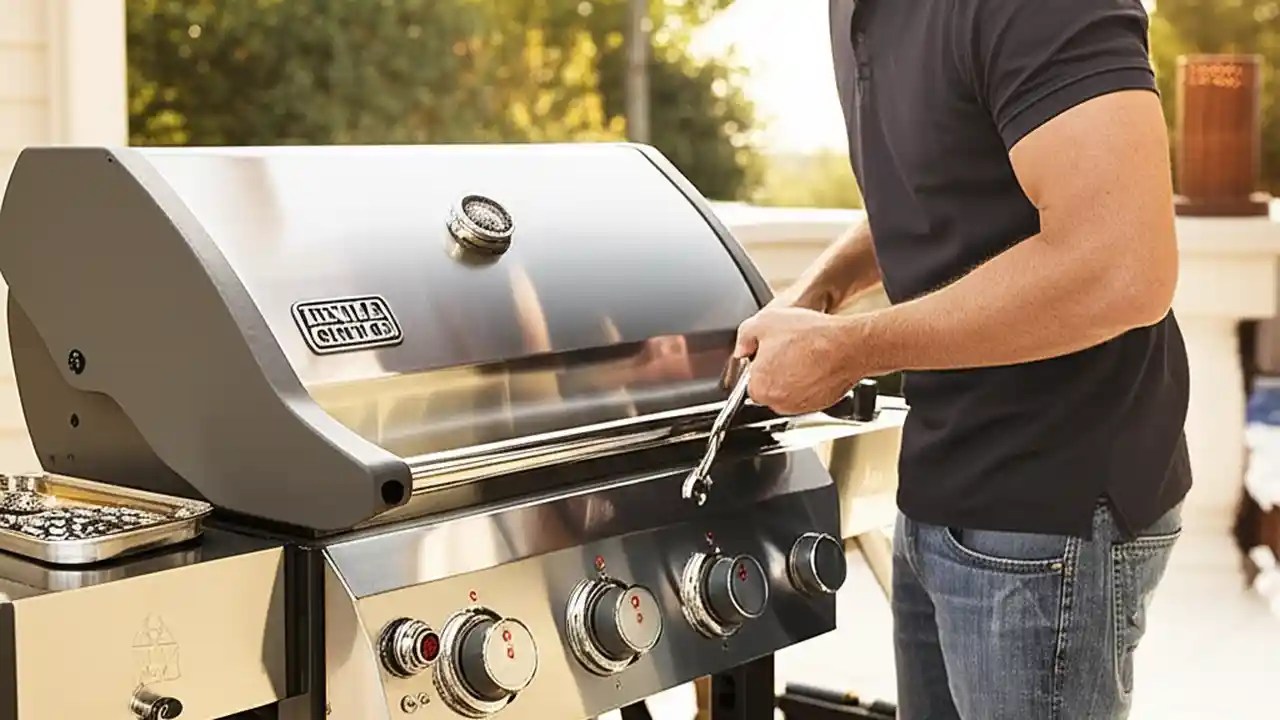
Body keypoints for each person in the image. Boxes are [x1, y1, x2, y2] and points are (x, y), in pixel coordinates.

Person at [733, 1, 1192, 718]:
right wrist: (818, 294)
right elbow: (942, 179)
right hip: (942, 481)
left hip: (1051, 505)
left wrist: (853, 347)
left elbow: (1122, 266)